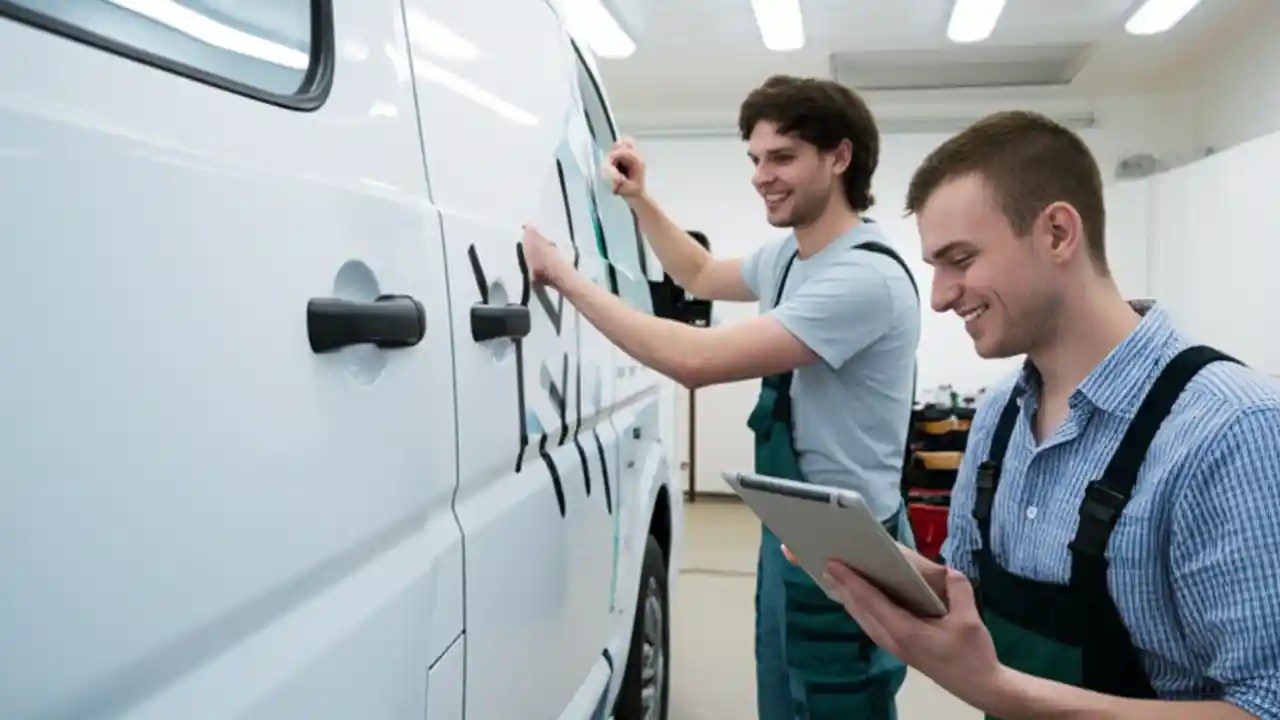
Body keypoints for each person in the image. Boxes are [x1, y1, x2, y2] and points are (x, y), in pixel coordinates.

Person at [815, 110, 1280, 719]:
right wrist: (889, 574)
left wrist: (1001, 693)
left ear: (1058, 233)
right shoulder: (1000, 417)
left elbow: (1262, 706)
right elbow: (974, 594)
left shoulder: (1232, 431)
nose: (941, 295)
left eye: (960, 259)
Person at [521, 74, 922, 718]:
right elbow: (700, 273)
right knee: (783, 698)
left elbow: (693, 360)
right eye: (755, 159)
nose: (762, 175)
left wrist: (565, 278)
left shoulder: (863, 277)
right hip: (792, 531)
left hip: (849, 550)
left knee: (838, 702)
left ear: (840, 157)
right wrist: (639, 200)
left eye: (783, 157)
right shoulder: (792, 257)